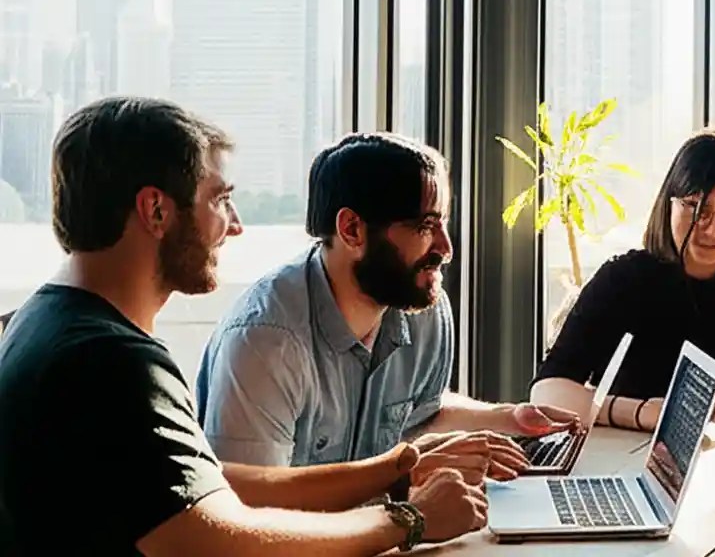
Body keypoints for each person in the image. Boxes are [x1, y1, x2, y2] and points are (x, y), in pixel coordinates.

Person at [0, 97, 486, 555]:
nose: (234, 225)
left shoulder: (47, 325)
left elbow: (208, 483)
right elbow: (219, 540)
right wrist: (408, 520)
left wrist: (394, 471)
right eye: (219, 199)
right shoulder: (112, 363)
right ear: (156, 210)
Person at [196, 132, 578, 470]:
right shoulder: (267, 342)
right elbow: (250, 510)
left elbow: (417, 415)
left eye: (443, 223)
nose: (445, 248)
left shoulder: (424, 310)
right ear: (352, 230)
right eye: (425, 226)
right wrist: (404, 493)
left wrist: (510, 418)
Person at [531, 126, 715, 431]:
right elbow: (547, 392)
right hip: (626, 455)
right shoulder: (623, 280)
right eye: (697, 208)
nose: (713, 229)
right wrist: (641, 413)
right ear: (669, 203)